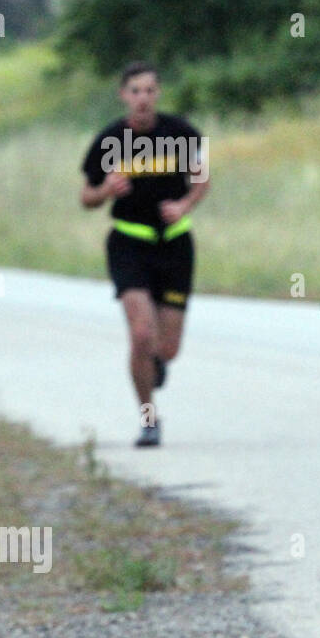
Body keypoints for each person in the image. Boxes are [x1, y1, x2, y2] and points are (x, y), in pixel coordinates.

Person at [80, 62, 209, 447]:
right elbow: (86, 197)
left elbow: (202, 178)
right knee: (140, 334)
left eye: (150, 90)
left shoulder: (181, 133)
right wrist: (105, 191)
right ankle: (149, 420)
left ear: (158, 94)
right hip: (129, 244)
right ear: (124, 95)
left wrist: (185, 204)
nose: (143, 98)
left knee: (166, 348)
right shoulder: (109, 141)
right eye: (135, 91)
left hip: (175, 245)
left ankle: (155, 363)